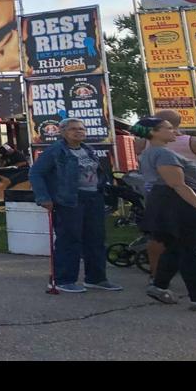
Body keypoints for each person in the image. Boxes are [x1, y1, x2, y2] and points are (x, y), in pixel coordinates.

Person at [136, 116, 196, 312]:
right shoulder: (163, 154)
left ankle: (159, 285)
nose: (174, 131)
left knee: (176, 248)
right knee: (191, 250)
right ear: (154, 132)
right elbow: (178, 185)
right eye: (168, 128)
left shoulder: (150, 153)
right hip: (177, 205)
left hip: (164, 203)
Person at [30, 119, 121, 294]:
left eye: (81, 129)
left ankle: (96, 278)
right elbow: (36, 172)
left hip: (93, 197)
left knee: (96, 238)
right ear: (62, 132)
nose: (78, 132)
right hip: (69, 199)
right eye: (72, 129)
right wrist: (43, 197)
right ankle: (63, 279)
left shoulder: (88, 150)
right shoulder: (56, 151)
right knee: (69, 238)